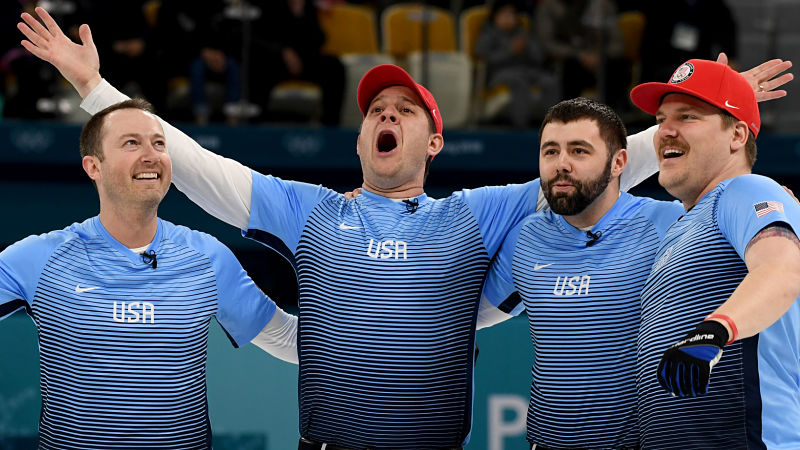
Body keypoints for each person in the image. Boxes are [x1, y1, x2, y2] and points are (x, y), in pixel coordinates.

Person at [16, 8, 789, 448]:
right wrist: (93, 88)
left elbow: (587, 165)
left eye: (405, 112)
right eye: (375, 112)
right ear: (360, 141)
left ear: (435, 141)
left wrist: (708, 118)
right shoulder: (309, 209)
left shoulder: (477, 213)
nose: (385, 117)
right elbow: (193, 163)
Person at [0, 98, 297, 448]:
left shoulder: (208, 257)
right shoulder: (38, 259)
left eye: (159, 143)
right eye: (132, 143)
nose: (152, 155)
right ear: (93, 166)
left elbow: (287, 339)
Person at [478, 97, 685, 449]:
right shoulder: (525, 239)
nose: (562, 165)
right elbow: (463, 316)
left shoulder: (669, 224)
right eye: (550, 152)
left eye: (579, 151)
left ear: (620, 161)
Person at [630, 59, 800, 448]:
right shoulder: (680, 226)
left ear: (737, 135)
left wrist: (715, 330)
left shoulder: (748, 190)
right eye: (661, 118)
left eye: (687, 117)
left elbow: (783, 269)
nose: (664, 130)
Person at [474, 0, 559, 127]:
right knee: (519, 81)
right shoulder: (488, 32)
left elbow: (539, 57)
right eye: (504, 14)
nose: (508, 18)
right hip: (500, 73)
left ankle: (552, 123)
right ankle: (521, 124)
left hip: (527, 70)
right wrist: (510, 51)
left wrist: (527, 47)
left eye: (511, 14)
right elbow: (484, 58)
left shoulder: (522, 32)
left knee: (550, 81)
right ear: (495, 16)